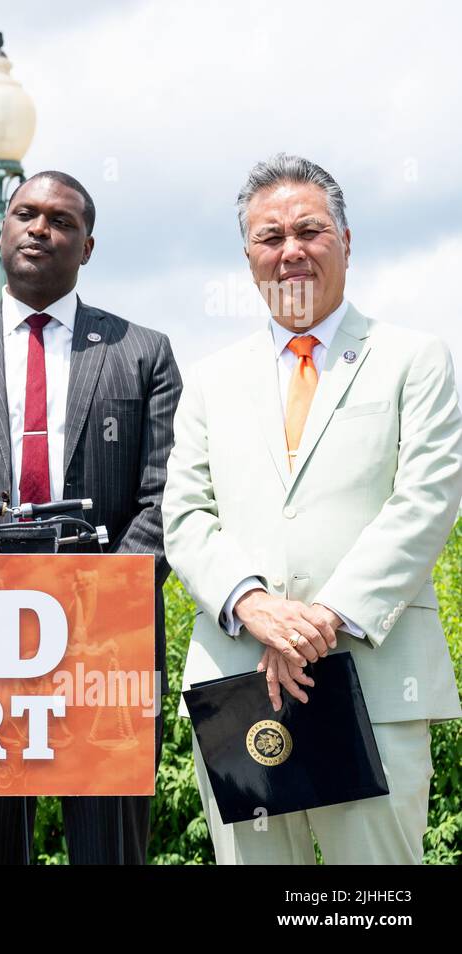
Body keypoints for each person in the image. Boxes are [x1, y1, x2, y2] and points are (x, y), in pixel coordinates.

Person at [163, 153, 462, 864]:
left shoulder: (414, 360)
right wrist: (253, 604)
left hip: (375, 680)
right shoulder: (209, 382)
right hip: (239, 687)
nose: (290, 251)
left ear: (347, 243)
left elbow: (426, 500)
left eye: (309, 230)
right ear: (248, 260)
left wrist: (324, 618)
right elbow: (186, 515)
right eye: (270, 238)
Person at [0, 171, 181, 864]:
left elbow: (166, 497)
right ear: (1, 229)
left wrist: (96, 598)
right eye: (24, 213)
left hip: (106, 642)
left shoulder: (142, 354)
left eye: (61, 220)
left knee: (108, 848)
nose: (39, 228)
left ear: (88, 246)